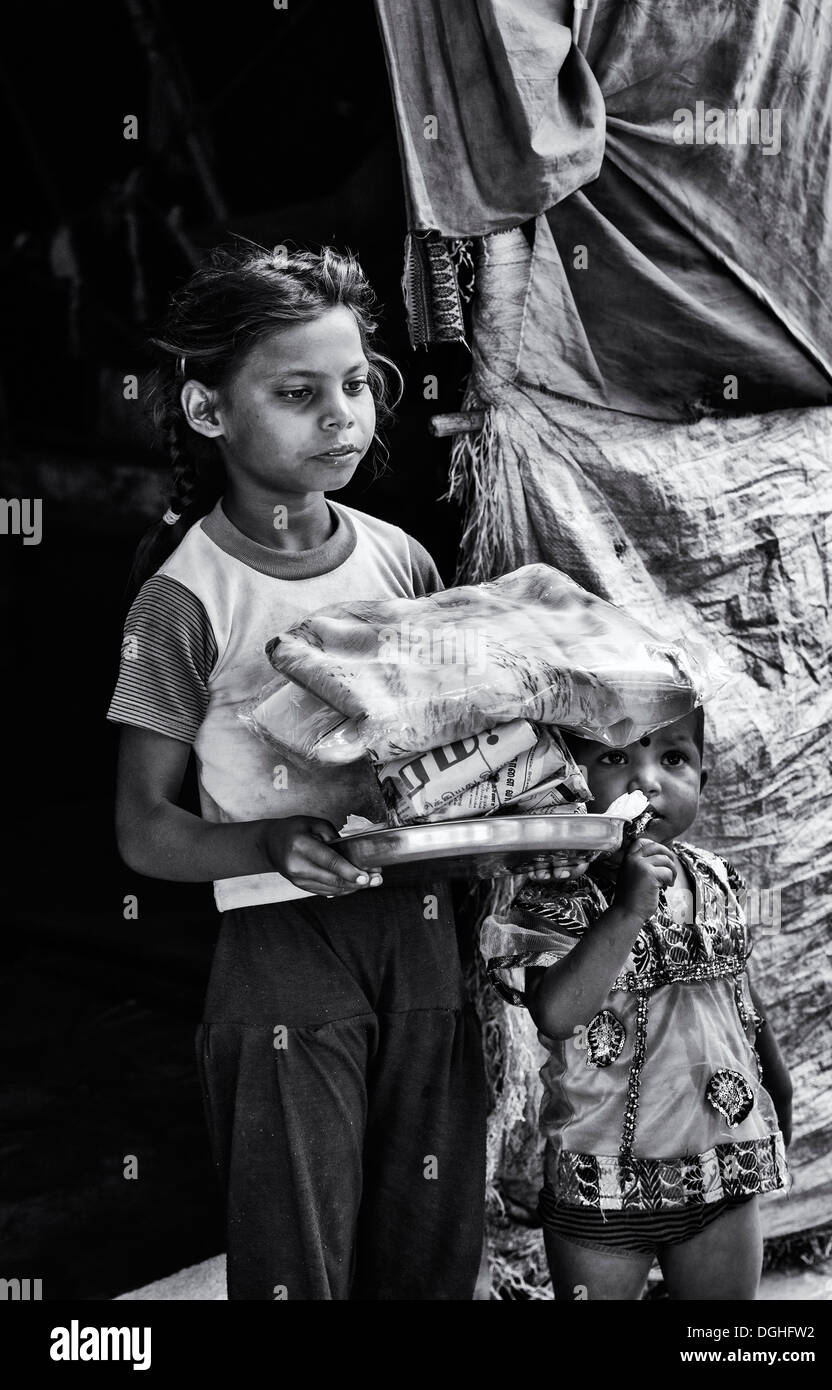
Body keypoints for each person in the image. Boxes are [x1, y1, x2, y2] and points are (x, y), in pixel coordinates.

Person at [107, 242, 487, 1300]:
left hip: (419, 935)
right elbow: (144, 828)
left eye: (358, 385)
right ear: (207, 412)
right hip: (281, 947)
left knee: (431, 1220)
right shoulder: (186, 600)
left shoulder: (401, 560)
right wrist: (272, 841)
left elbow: (438, 741)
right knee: (299, 1241)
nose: (342, 416)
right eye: (296, 393)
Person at [480, 707, 793, 1300]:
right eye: (616, 757)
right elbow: (556, 1014)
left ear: (703, 777)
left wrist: (780, 1089)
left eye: (674, 758)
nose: (647, 780)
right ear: (573, 776)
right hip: (601, 1189)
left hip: (722, 1169)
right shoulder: (556, 888)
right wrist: (626, 911)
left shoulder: (719, 880)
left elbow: (738, 1000)